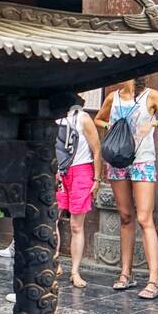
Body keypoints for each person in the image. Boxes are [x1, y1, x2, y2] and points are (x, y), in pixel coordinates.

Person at [95, 78, 158, 299]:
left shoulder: (151, 96)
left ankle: (154, 280)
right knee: (125, 216)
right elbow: (98, 119)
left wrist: (156, 124)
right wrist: (109, 126)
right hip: (117, 161)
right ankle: (126, 273)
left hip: (143, 161)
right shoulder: (111, 97)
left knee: (144, 218)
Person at [55, 101, 103, 288]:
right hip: (59, 171)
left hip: (81, 170)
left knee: (76, 225)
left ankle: (75, 271)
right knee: (52, 219)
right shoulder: (54, 117)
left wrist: (97, 179)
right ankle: (54, 262)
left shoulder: (83, 118)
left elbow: (97, 149)